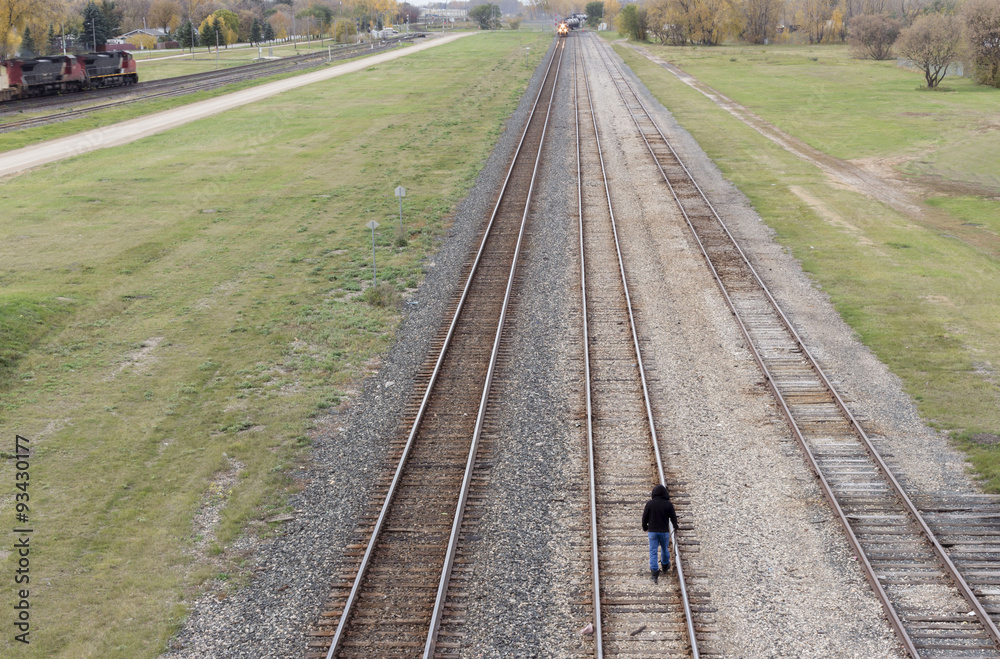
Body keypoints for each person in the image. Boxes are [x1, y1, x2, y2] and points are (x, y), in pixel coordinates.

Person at [642, 483, 678, 583]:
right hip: (664, 532)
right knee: (664, 549)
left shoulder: (650, 504)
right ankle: (665, 565)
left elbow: (644, 517)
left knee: (653, 551)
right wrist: (675, 526)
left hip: (653, 532)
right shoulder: (668, 504)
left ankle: (654, 572)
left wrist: (645, 527)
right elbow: (673, 517)